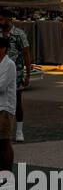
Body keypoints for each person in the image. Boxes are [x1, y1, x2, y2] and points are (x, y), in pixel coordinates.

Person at [0, 11, 30, 143]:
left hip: (15, 72)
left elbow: (26, 55)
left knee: (17, 101)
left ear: (8, 19)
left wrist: (27, 74)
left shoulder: (19, 34)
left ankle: (19, 130)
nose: (0, 22)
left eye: (1, 19)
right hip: (1, 69)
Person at [0, 36, 16, 172]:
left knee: (4, 141)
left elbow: (1, 86)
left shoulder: (9, 64)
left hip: (5, 108)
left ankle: (7, 172)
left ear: (4, 49)